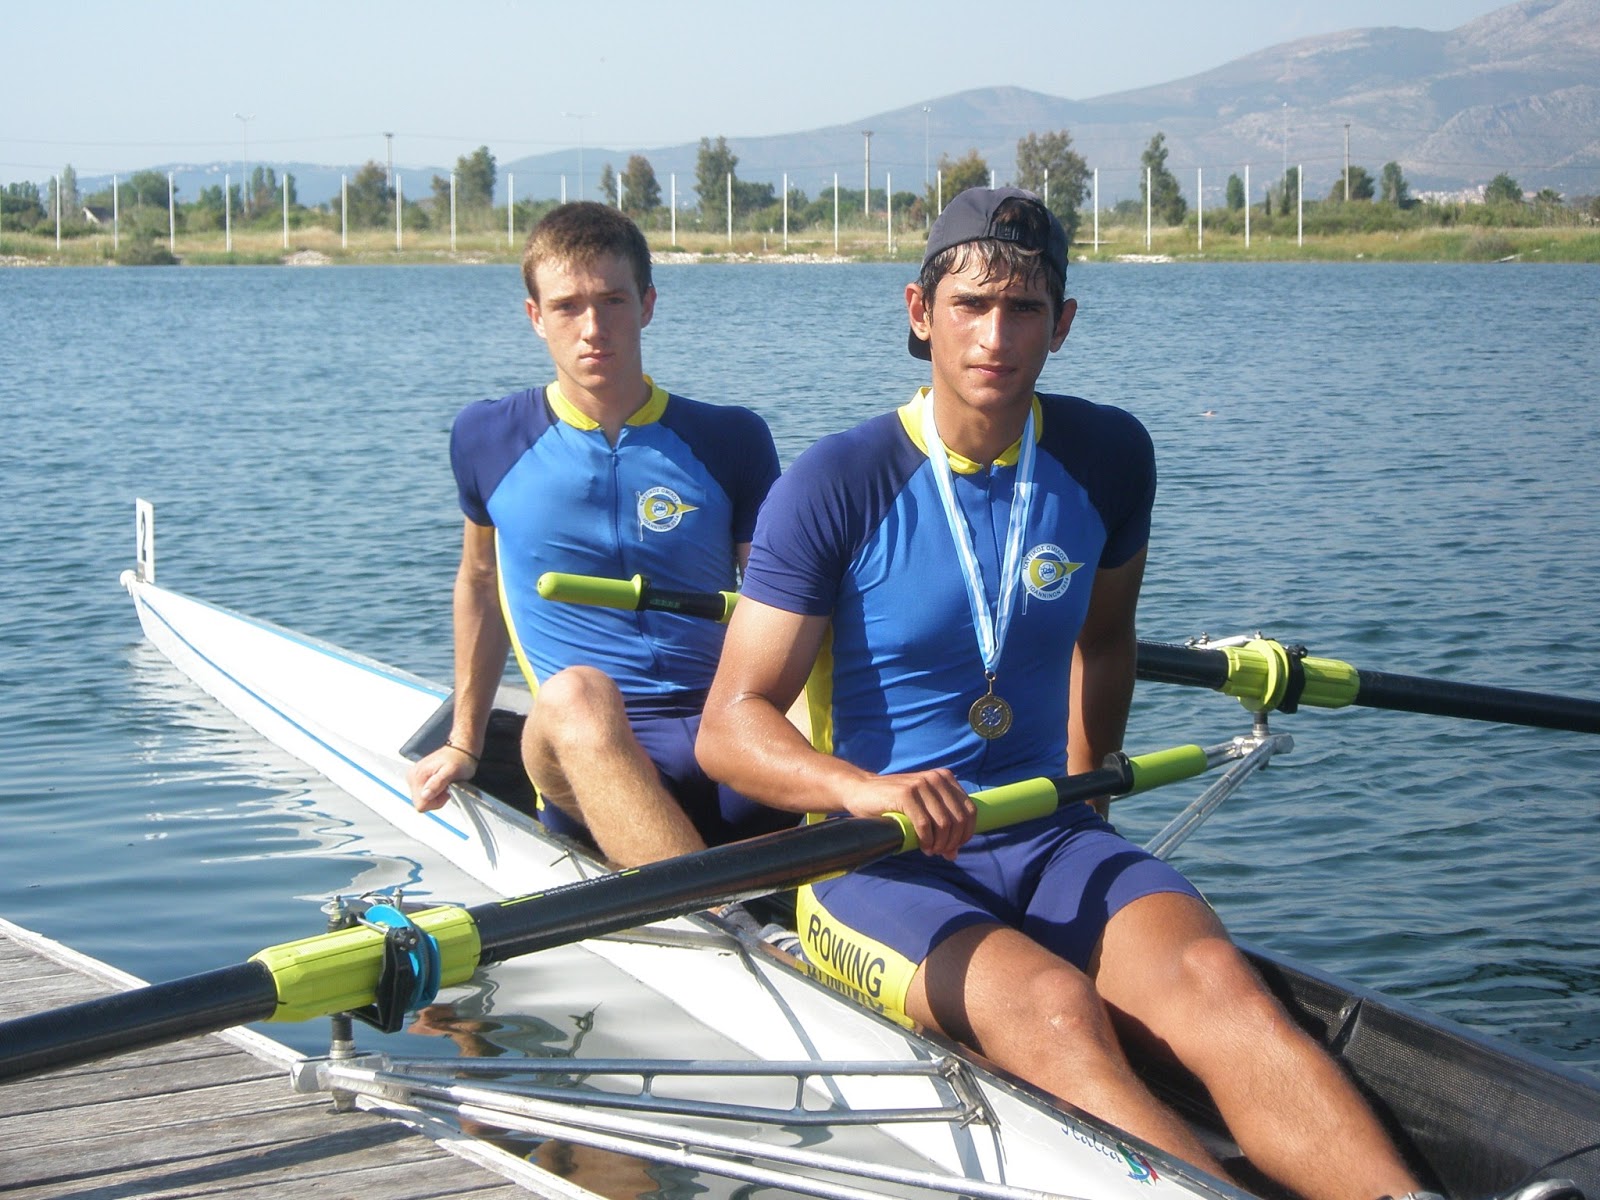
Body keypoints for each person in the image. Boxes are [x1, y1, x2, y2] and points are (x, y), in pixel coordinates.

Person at [695, 188, 1431, 1200]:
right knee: (1050, 1008)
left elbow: (1105, 638)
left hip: (1045, 831)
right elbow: (730, 729)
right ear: (919, 311)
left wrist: (1090, 802)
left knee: (1225, 988)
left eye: (1025, 310)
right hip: (873, 860)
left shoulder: (1107, 457)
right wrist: (867, 790)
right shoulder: (835, 483)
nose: (995, 335)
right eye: (970, 306)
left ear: (1064, 325)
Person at [408, 201, 790, 867]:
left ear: (646, 304)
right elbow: (480, 581)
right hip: (586, 746)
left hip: (724, 730)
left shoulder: (730, 438)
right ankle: (723, 916)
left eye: (612, 301)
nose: (593, 328)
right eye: (567, 306)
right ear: (535, 317)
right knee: (577, 693)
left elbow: (781, 605)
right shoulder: (488, 437)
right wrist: (465, 743)